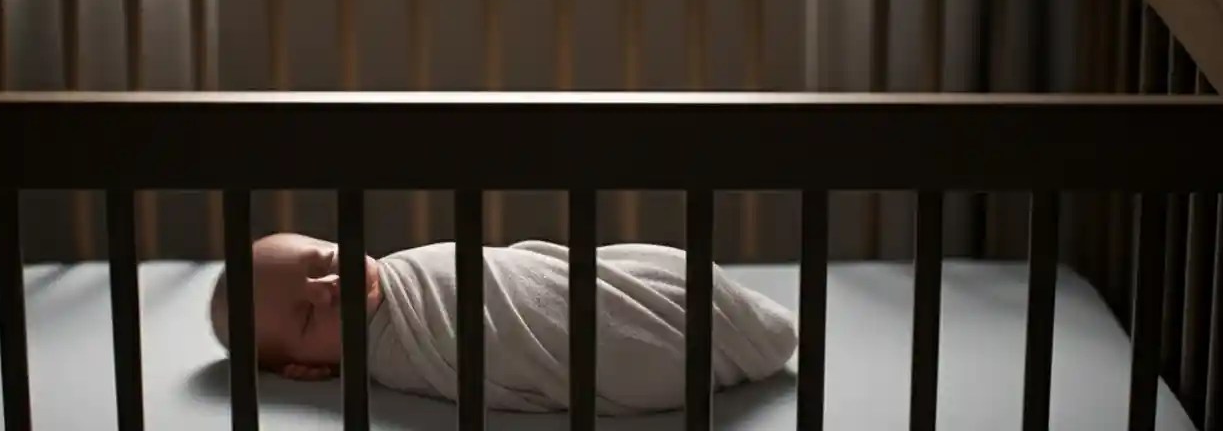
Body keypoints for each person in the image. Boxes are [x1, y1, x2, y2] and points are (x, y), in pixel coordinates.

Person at [208, 233, 796, 415]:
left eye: (324, 260)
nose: (328, 287)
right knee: (627, 344)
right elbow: (505, 341)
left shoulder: (405, 270)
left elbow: (522, 275)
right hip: (598, 340)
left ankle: (711, 311)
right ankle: (709, 334)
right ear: (306, 369)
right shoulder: (395, 354)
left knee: (617, 275)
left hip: (579, 281)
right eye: (307, 314)